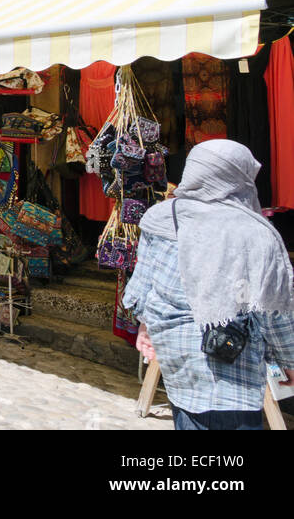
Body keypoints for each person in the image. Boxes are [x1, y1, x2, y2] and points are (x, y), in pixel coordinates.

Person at [124, 139, 294, 430]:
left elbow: (143, 287)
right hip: (232, 371)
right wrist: (289, 359)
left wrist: (146, 327)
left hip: (177, 362)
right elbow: (271, 310)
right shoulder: (253, 233)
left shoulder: (160, 218)